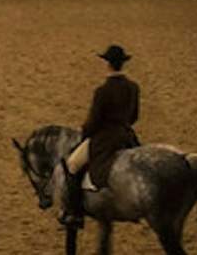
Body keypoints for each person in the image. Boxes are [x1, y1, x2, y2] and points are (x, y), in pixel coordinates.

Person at [60, 45, 141, 229]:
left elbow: (94, 121)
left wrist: (84, 132)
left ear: (107, 64)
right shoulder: (134, 87)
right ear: (123, 64)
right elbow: (135, 116)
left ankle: (74, 214)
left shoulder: (102, 91)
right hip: (127, 137)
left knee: (72, 165)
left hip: (105, 140)